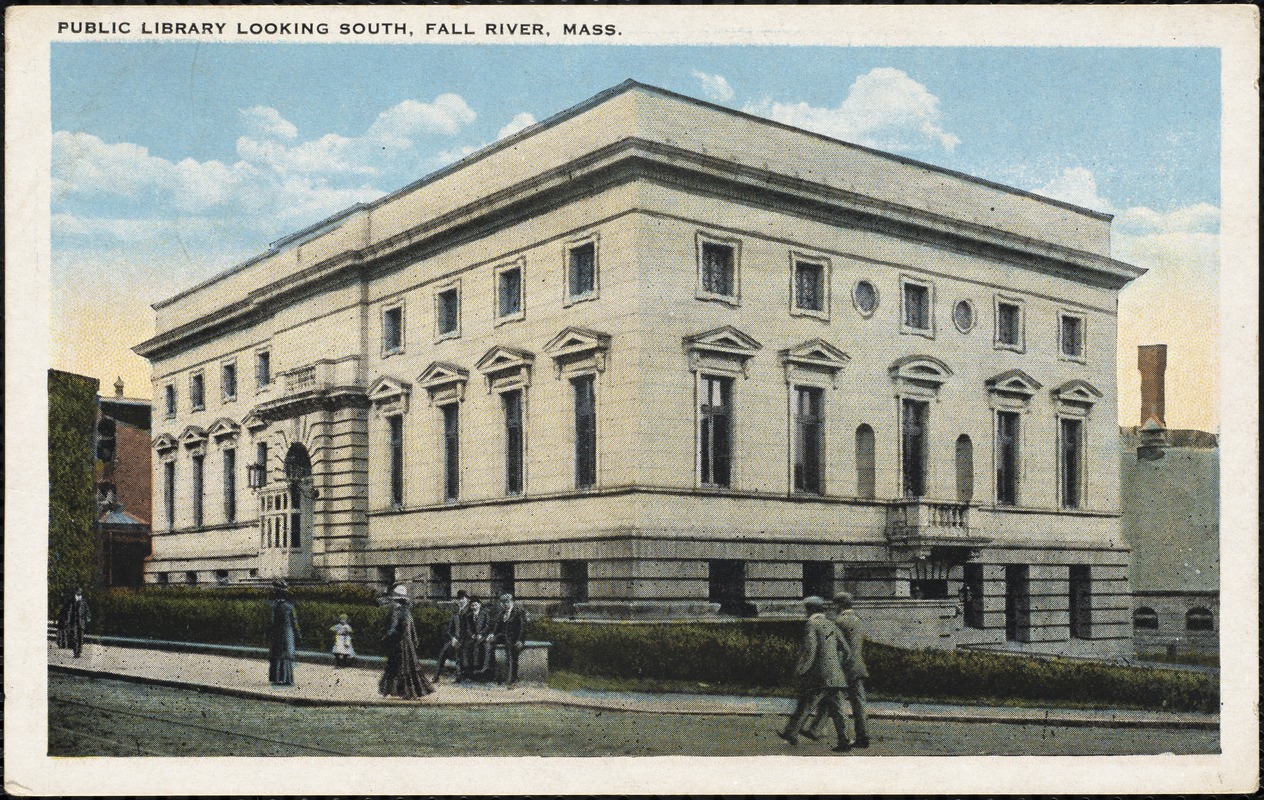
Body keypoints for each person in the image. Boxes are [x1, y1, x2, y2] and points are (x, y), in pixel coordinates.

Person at [777, 596, 853, 753]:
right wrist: (836, 664)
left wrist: (801, 670)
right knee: (838, 709)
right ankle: (844, 740)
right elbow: (846, 650)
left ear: (810, 609)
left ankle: (791, 733)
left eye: (806, 609)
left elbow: (810, 650)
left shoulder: (812, 624)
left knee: (806, 704)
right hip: (836, 675)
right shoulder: (831, 624)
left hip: (819, 676)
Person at [803, 592, 870, 748]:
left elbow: (835, 647)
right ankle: (863, 736)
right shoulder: (859, 620)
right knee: (858, 703)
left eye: (834, 605)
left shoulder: (838, 622)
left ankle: (817, 730)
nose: (833, 609)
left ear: (839, 605)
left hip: (843, 667)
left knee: (832, 699)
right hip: (858, 667)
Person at [378, 584, 434, 699]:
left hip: (399, 643)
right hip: (408, 643)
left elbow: (393, 628)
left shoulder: (396, 611)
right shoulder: (407, 611)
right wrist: (414, 639)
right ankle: (410, 692)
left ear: (396, 600)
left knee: (396, 666)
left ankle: (394, 691)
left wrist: (386, 636)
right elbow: (412, 628)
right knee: (409, 667)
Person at [486, 593, 529, 686]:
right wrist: (492, 634)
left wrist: (520, 640)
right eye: (503, 603)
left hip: (514, 638)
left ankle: (512, 678)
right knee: (488, 644)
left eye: (507, 602)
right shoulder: (502, 614)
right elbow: (497, 627)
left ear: (512, 602)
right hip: (503, 636)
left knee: (511, 653)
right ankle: (491, 674)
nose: (505, 604)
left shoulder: (518, 612)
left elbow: (522, 628)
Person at [267, 581, 301, 686]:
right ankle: (286, 678)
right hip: (286, 632)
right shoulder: (289, 606)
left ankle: (278, 678)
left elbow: (271, 621)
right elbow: (294, 622)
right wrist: (298, 633)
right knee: (285, 654)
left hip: (280, 632)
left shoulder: (274, 606)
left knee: (279, 654)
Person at [433, 590, 470, 683]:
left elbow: (469, 629)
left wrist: (459, 640)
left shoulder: (469, 611)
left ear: (467, 600)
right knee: (443, 651)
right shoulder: (455, 613)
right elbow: (449, 630)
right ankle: (436, 676)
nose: (461, 601)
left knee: (459, 651)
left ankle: (459, 676)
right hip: (455, 639)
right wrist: (453, 638)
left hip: (466, 639)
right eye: (459, 599)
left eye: (463, 599)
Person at [462, 596, 492, 682]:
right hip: (473, 637)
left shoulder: (485, 614)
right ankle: (468, 671)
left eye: (476, 605)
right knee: (467, 647)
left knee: (480, 647)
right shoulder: (469, 616)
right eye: (472, 606)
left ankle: (481, 672)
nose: (474, 607)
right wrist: (472, 635)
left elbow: (487, 626)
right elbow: (467, 628)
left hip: (483, 636)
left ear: (479, 605)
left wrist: (481, 634)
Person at [56, 587, 90, 658]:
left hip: (81, 622)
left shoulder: (84, 601)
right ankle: (75, 652)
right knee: (74, 637)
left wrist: (87, 618)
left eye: (80, 591)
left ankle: (79, 651)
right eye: (77, 591)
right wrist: (67, 621)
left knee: (81, 637)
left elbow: (87, 610)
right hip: (73, 622)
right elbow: (69, 612)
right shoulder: (71, 601)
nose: (79, 592)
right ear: (75, 592)